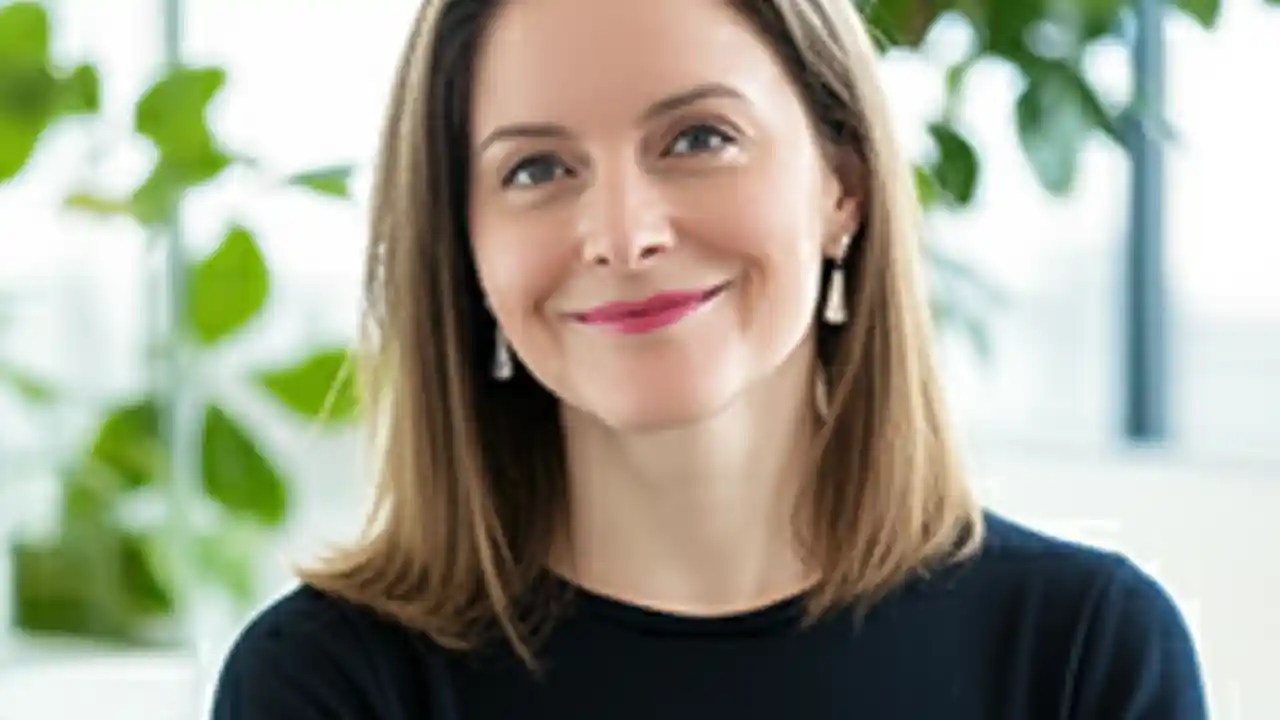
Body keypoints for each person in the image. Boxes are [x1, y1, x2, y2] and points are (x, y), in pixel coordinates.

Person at [211, 0, 1208, 717]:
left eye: (696, 138)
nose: (621, 233)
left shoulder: (1078, 653)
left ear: (841, 186)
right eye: (537, 168)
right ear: (463, 249)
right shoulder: (328, 684)